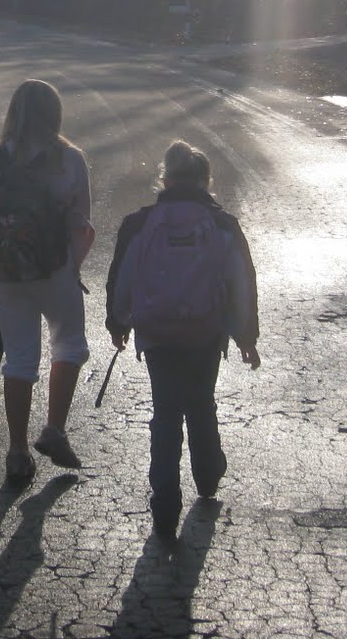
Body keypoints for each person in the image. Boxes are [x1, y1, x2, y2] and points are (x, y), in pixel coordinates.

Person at [106, 140, 260, 541]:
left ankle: (165, 504)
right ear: (206, 181)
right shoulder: (222, 225)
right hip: (205, 332)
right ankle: (208, 476)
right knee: (201, 403)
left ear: (166, 177)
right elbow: (242, 282)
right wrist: (246, 335)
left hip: (157, 333)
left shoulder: (140, 224)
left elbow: (122, 276)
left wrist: (117, 321)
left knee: (165, 412)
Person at [0, 79, 95, 486]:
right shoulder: (69, 160)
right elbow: (82, 224)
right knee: (69, 344)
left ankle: (17, 451)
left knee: (20, 358)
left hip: (8, 271)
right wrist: (72, 267)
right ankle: (54, 431)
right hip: (55, 268)